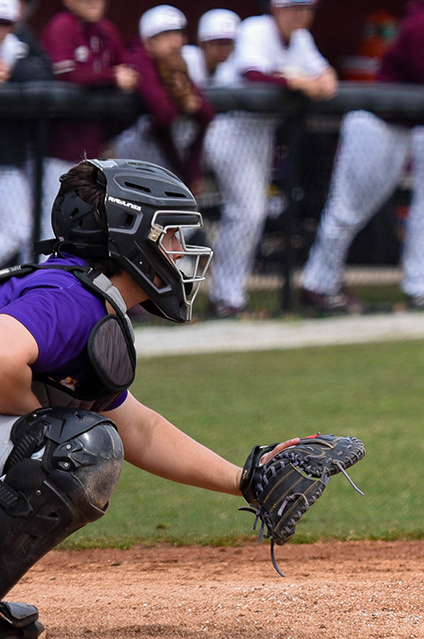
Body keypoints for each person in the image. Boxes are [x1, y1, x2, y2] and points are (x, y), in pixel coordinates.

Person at [0, 158, 342, 639]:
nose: (183, 249)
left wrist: (245, 480)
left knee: (81, 434)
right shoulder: (71, 299)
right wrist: (36, 420)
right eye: (171, 235)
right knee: (72, 447)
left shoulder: (83, 294)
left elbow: (139, 429)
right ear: (130, 235)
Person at [299, 0, 424, 311]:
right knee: (347, 208)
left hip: (401, 129)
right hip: (373, 124)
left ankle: (324, 280)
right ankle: (317, 283)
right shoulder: (417, 26)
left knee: (363, 209)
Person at [203, 0, 337, 318]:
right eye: (293, 7)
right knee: (246, 212)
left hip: (260, 134)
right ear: (275, 8)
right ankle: (225, 297)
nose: (301, 14)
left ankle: (228, 295)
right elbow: (254, 75)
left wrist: (315, 80)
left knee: (251, 213)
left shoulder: (302, 38)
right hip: (231, 127)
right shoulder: (255, 29)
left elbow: (326, 77)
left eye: (306, 8)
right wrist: (299, 81)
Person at [38, 0, 137, 238]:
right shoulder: (62, 26)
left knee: (86, 227)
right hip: (56, 149)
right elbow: (66, 74)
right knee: (49, 227)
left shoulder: (106, 30)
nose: (94, 1)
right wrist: (111, 76)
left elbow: (126, 69)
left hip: (92, 151)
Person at [112, 6, 215, 187]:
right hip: (133, 151)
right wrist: (182, 101)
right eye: (166, 36)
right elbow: (163, 116)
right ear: (148, 42)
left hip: (163, 151)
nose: (175, 42)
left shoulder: (175, 63)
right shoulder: (138, 60)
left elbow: (207, 114)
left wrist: (190, 173)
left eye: (178, 34)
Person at [0, 0, 48, 268]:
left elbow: (45, 71)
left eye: (5, 23)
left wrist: (13, 72)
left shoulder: (18, 47)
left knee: (19, 228)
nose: (1, 30)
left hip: (8, 160)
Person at [181, 9, 240, 89]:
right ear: (201, 43)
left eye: (229, 43)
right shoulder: (185, 59)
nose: (225, 49)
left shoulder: (231, 66)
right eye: (219, 43)